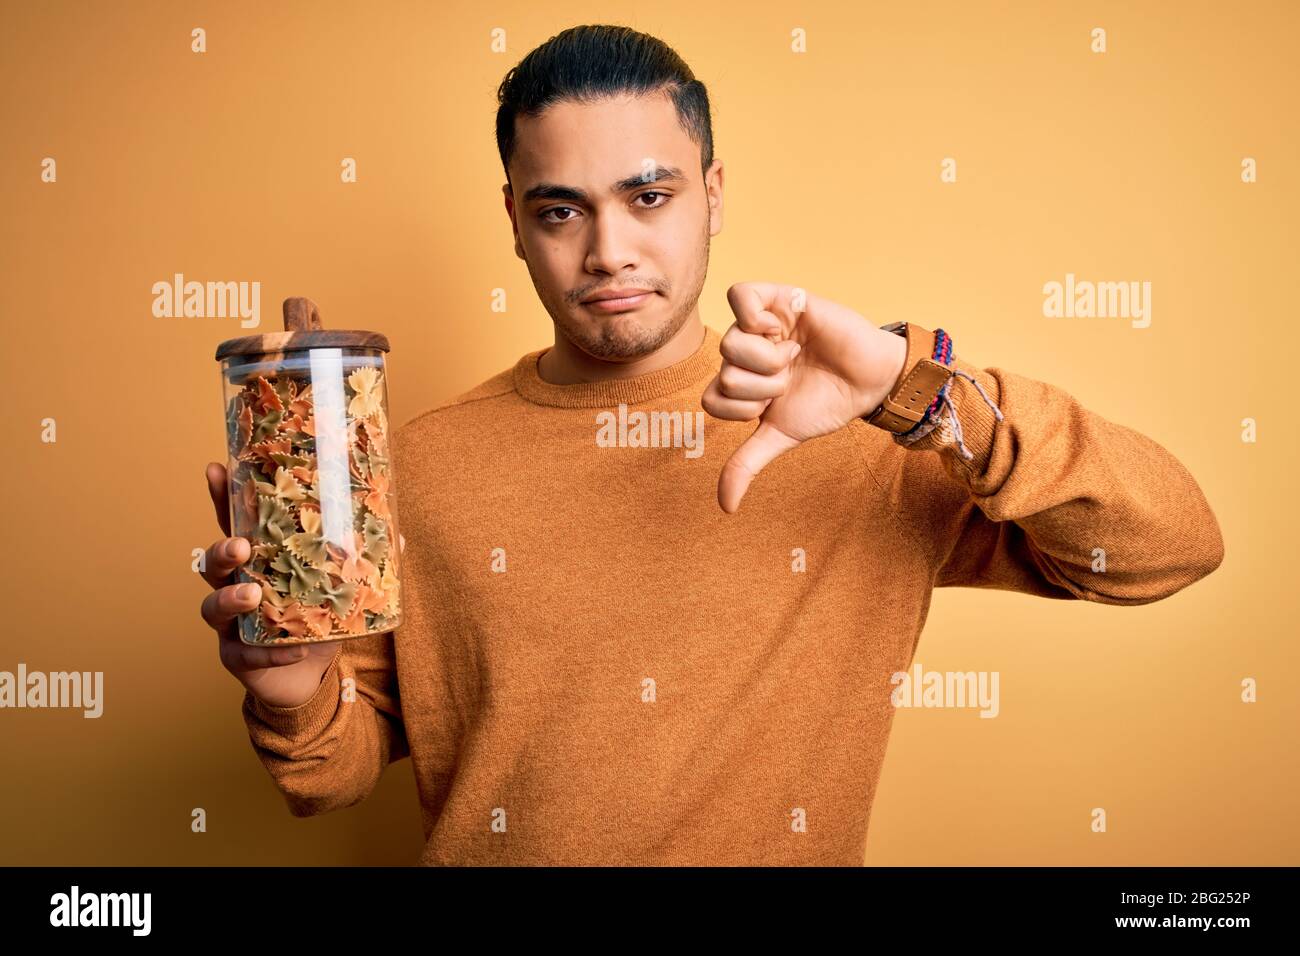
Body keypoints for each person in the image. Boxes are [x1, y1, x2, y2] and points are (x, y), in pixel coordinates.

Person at [198, 24, 1224, 865]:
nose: (608, 250)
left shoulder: (864, 434)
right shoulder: (417, 463)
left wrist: (920, 393)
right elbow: (330, 774)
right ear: (514, 219)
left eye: (649, 196)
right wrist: (291, 690)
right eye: (562, 209)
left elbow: (1165, 547)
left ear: (713, 194)